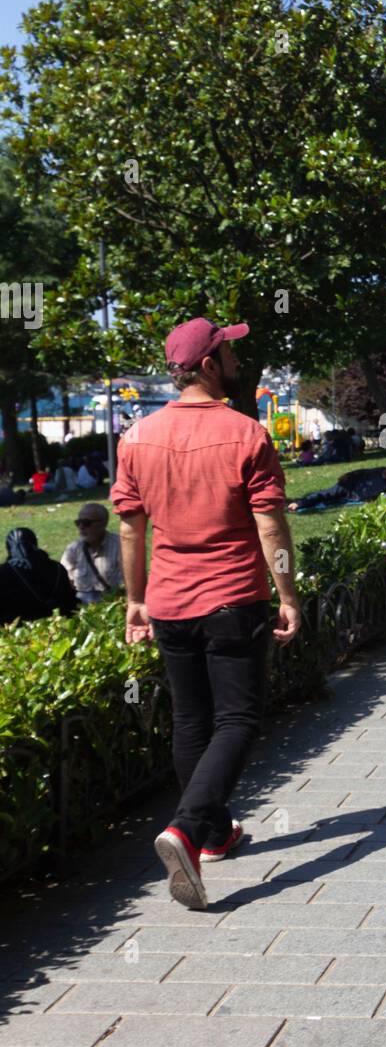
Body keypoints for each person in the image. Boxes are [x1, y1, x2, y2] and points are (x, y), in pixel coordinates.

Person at [110, 316, 302, 911]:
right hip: (232, 600)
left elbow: (129, 528)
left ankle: (215, 834)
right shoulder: (247, 434)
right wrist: (289, 596)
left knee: (193, 720)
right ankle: (188, 829)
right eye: (230, 353)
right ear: (209, 365)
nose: (238, 363)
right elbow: (270, 524)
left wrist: (135, 600)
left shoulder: (137, 437)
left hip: (169, 603)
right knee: (239, 720)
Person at [0, 527, 78, 625]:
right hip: (58, 626)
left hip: (18, 632)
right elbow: (70, 603)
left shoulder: (4, 572)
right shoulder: (57, 568)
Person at [60, 503, 124, 605]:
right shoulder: (73, 549)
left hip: (112, 603)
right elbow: (65, 582)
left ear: (103, 524)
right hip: (81, 606)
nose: (81, 527)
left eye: (86, 523)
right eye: (78, 523)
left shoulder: (120, 546)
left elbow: (128, 584)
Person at [287, 460, 386, 512]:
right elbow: (361, 472)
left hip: (355, 496)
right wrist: (347, 476)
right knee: (327, 494)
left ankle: (298, 503)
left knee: (329, 499)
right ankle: (300, 503)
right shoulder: (379, 471)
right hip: (349, 486)